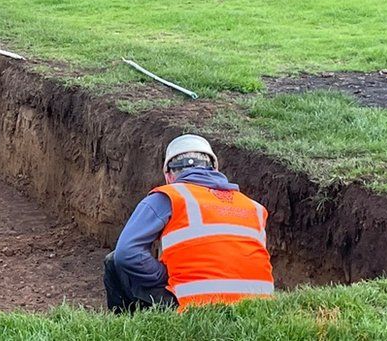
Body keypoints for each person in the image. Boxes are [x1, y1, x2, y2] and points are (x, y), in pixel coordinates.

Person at [104, 134, 274, 313]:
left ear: (169, 176)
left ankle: (128, 329)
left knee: (113, 262)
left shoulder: (169, 196)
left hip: (194, 305)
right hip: (257, 309)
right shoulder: (254, 207)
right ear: (215, 169)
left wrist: (164, 276)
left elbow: (127, 253)